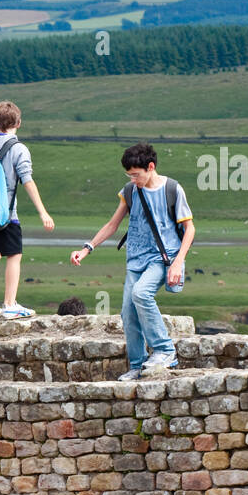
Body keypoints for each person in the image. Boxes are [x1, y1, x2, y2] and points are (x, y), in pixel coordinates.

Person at [69, 142, 194, 380]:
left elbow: (190, 229)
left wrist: (178, 263)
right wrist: (87, 249)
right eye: (129, 175)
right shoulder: (129, 191)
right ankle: (137, 366)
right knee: (128, 312)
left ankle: (165, 350)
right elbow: (112, 224)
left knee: (141, 294)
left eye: (136, 175)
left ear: (150, 167)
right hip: (135, 259)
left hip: (162, 256)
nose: (133, 179)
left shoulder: (172, 189)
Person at [0, 101, 54, 318]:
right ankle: (9, 304)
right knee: (14, 256)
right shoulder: (19, 149)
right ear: (19, 122)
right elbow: (27, 180)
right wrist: (43, 212)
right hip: (6, 214)